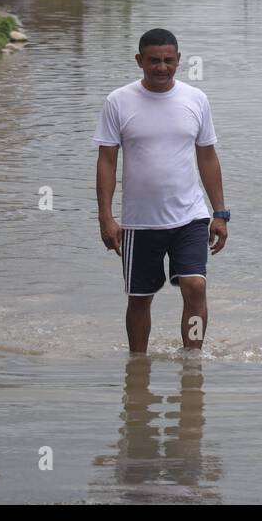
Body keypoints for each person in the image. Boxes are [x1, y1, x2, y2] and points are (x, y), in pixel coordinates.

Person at [94, 28, 229, 353]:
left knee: (195, 286)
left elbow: (208, 157)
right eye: (154, 60)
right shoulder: (119, 101)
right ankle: (137, 365)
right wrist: (105, 217)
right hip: (140, 222)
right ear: (140, 61)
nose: (161, 67)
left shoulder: (196, 99)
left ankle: (193, 359)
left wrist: (220, 213)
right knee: (140, 299)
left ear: (179, 60)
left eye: (169, 60)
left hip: (190, 217)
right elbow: (107, 162)